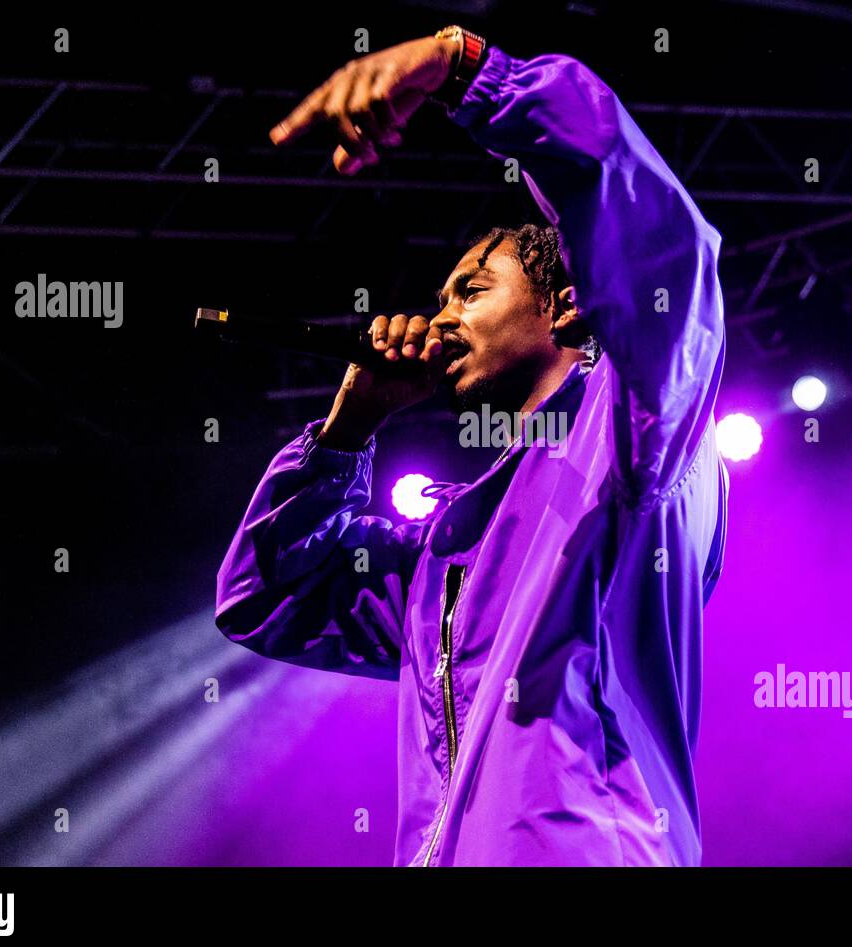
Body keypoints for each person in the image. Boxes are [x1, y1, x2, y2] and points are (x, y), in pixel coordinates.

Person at [216, 25, 728, 866]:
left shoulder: (637, 432)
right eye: (443, 296)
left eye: (472, 290)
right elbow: (264, 600)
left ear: (565, 306)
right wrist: (350, 431)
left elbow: (662, 244)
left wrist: (464, 69)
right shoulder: (451, 546)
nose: (443, 314)